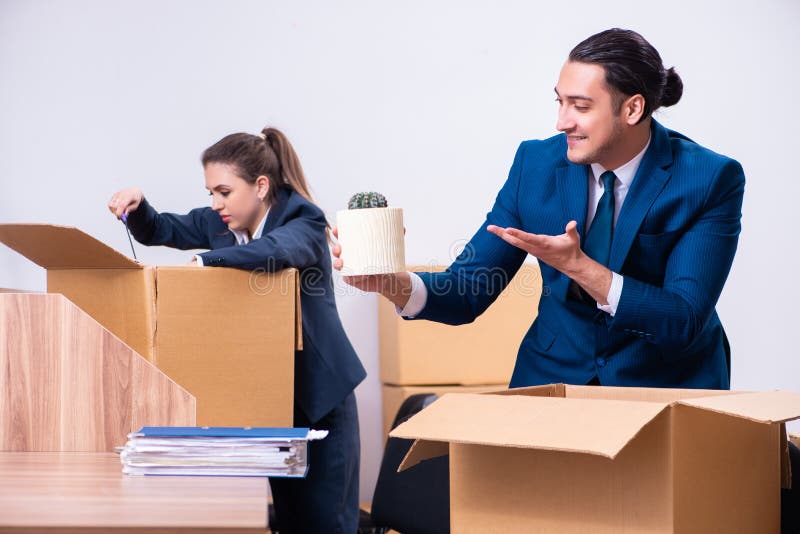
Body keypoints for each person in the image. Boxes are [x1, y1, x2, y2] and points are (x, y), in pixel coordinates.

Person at [335, 27, 744, 391]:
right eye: (559, 101)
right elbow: (468, 290)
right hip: (552, 380)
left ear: (632, 109)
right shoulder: (535, 166)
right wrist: (392, 283)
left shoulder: (708, 178)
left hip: (666, 384)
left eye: (580, 107)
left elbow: (683, 319)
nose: (561, 122)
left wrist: (581, 267)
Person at [108, 126, 366, 534]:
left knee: (324, 524)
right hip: (271, 401)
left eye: (224, 192)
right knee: (287, 521)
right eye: (211, 192)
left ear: (261, 186)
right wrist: (138, 208)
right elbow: (163, 229)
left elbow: (279, 250)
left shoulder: (304, 219)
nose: (215, 203)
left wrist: (210, 263)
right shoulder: (220, 223)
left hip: (321, 401)